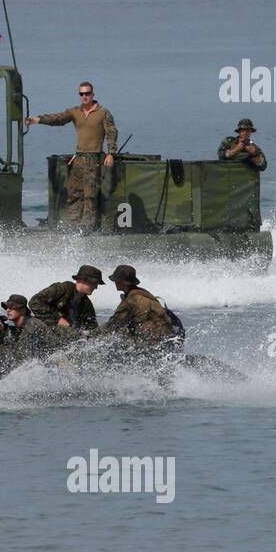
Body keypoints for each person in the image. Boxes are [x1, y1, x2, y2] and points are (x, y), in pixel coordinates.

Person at [24, 81, 117, 230]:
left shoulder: (103, 113)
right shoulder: (75, 112)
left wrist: (111, 153)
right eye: (82, 94)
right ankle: (72, 226)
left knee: (90, 196)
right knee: (74, 193)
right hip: (78, 159)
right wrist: (38, 119)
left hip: (94, 159)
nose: (84, 96)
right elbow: (58, 119)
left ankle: (87, 228)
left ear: (93, 94)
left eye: (87, 93)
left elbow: (111, 133)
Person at [100, 264, 181, 353]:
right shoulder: (143, 293)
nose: (115, 282)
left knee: (115, 343)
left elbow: (114, 323)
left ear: (121, 282)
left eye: (116, 280)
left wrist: (91, 334)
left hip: (153, 340)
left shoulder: (132, 300)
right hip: (167, 337)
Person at [28, 265, 103, 331]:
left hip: (64, 336)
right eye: (94, 283)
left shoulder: (86, 304)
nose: (96, 287)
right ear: (81, 280)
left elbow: (92, 326)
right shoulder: (63, 289)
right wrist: (57, 319)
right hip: (44, 330)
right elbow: (34, 302)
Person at [0, 294, 60, 358]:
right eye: (7, 307)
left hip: (54, 360)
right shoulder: (23, 324)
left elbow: (20, 355)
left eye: (12, 308)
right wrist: (2, 332)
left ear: (23, 310)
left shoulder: (32, 325)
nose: (8, 310)